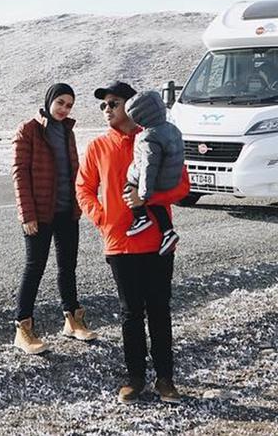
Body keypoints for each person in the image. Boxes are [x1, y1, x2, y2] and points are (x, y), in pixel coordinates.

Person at [76, 81, 190, 405]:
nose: (107, 109)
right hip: (120, 245)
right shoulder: (98, 147)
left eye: (113, 103)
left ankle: (165, 379)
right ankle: (135, 378)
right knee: (130, 313)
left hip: (157, 241)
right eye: (103, 105)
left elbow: (183, 185)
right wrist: (102, 218)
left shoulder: (156, 135)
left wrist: (148, 196)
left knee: (159, 310)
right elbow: (83, 189)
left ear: (131, 105)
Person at [11, 82, 98, 355]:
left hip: (66, 211)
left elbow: (74, 173)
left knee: (68, 266)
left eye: (69, 105)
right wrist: (27, 214)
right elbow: (19, 174)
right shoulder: (29, 130)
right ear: (49, 100)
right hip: (39, 213)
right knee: (34, 267)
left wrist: (79, 205)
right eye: (60, 102)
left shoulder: (68, 132)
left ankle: (72, 319)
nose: (64, 109)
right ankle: (23, 328)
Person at [123, 90, 183, 255]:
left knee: (129, 187)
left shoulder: (148, 136)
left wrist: (143, 195)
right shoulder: (172, 128)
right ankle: (168, 232)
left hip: (157, 179)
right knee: (158, 205)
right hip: (171, 177)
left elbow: (149, 165)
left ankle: (141, 217)